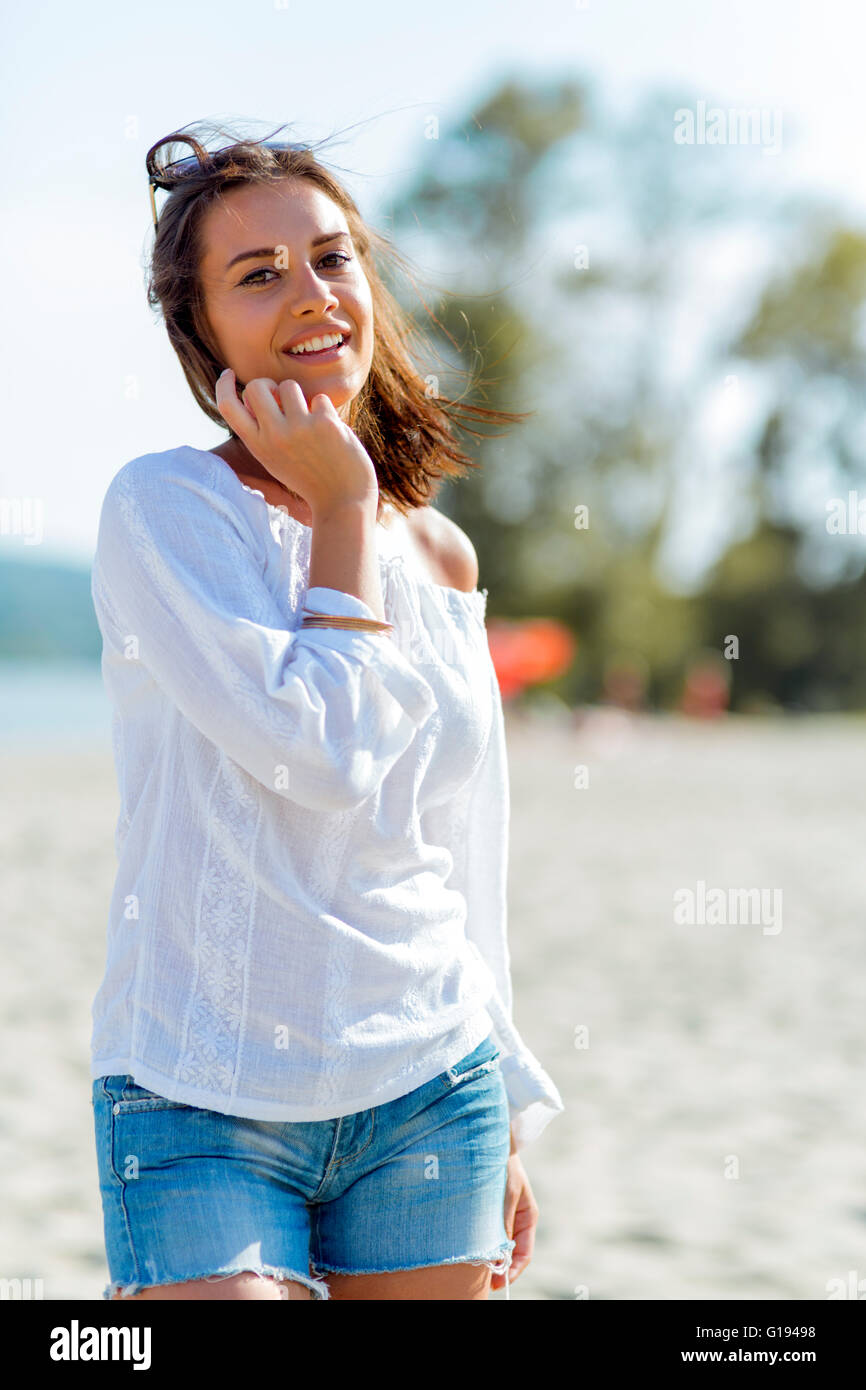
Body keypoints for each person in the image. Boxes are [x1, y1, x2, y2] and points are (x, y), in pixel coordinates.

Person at [89, 121, 564, 1302]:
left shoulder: (440, 553)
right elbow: (324, 754)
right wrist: (344, 510)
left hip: (426, 1087)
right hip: (199, 1093)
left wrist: (498, 1095)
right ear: (200, 331)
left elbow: (458, 849)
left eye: (333, 257)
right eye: (258, 275)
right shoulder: (165, 512)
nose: (311, 293)